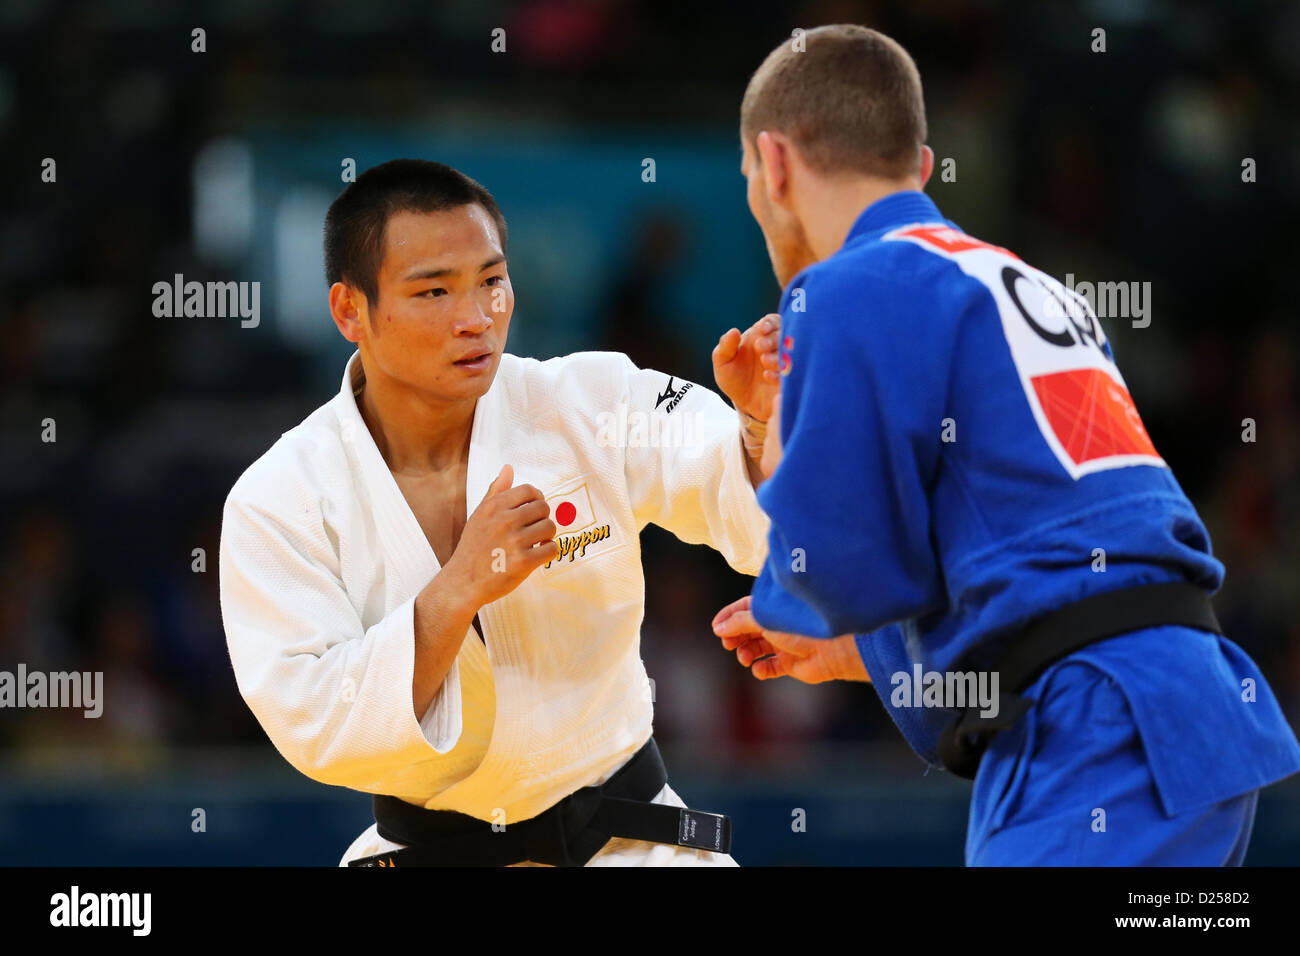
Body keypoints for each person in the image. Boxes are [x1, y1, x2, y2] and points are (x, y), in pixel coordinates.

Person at [712, 24, 1300, 865]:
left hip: (1097, 727)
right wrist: (857, 651)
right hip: (1188, 721)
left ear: (772, 165)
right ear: (920, 168)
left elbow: (830, 566)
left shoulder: (845, 287)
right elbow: (1032, 552)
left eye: (746, 178)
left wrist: (772, 433)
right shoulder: (1030, 287)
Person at [219, 159, 780, 866]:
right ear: (348, 310)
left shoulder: (590, 402)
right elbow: (315, 719)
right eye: (433, 291)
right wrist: (457, 590)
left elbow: (733, 490)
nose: (475, 319)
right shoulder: (280, 499)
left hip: (631, 846)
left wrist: (761, 429)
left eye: (491, 281)